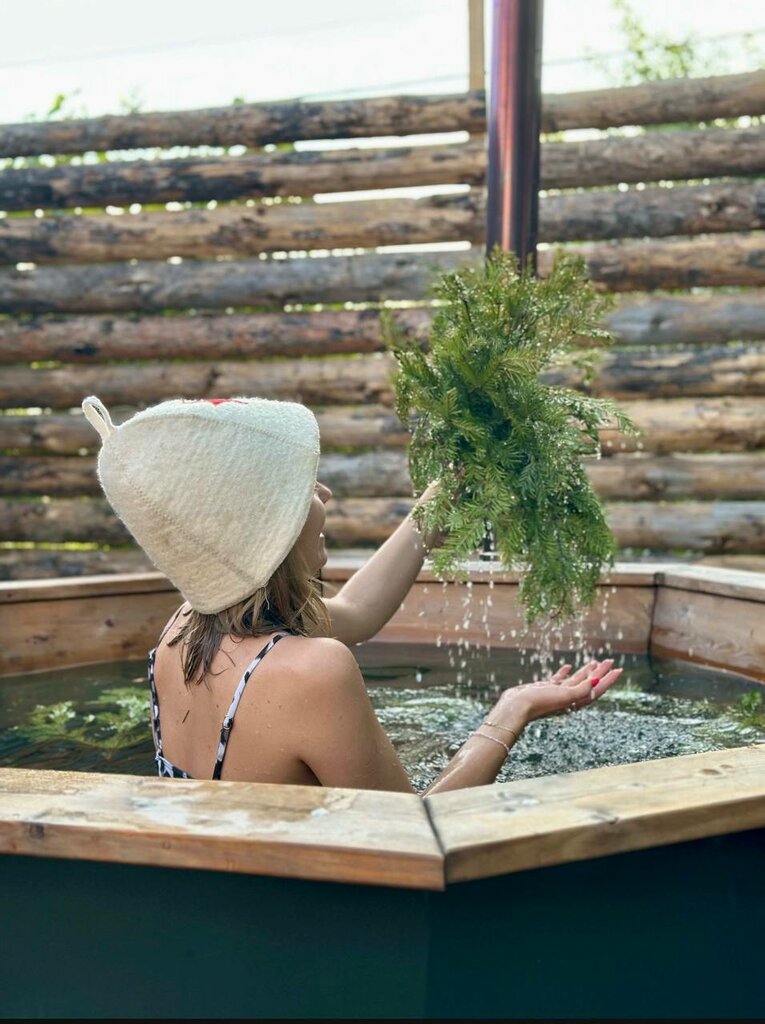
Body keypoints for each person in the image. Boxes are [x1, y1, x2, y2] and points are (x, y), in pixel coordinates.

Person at [82, 394, 622, 794]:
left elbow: (357, 614)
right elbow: (413, 833)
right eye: (303, 487)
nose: (324, 493)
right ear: (266, 525)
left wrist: (427, 518)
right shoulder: (313, 672)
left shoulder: (184, 629)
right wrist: (511, 711)